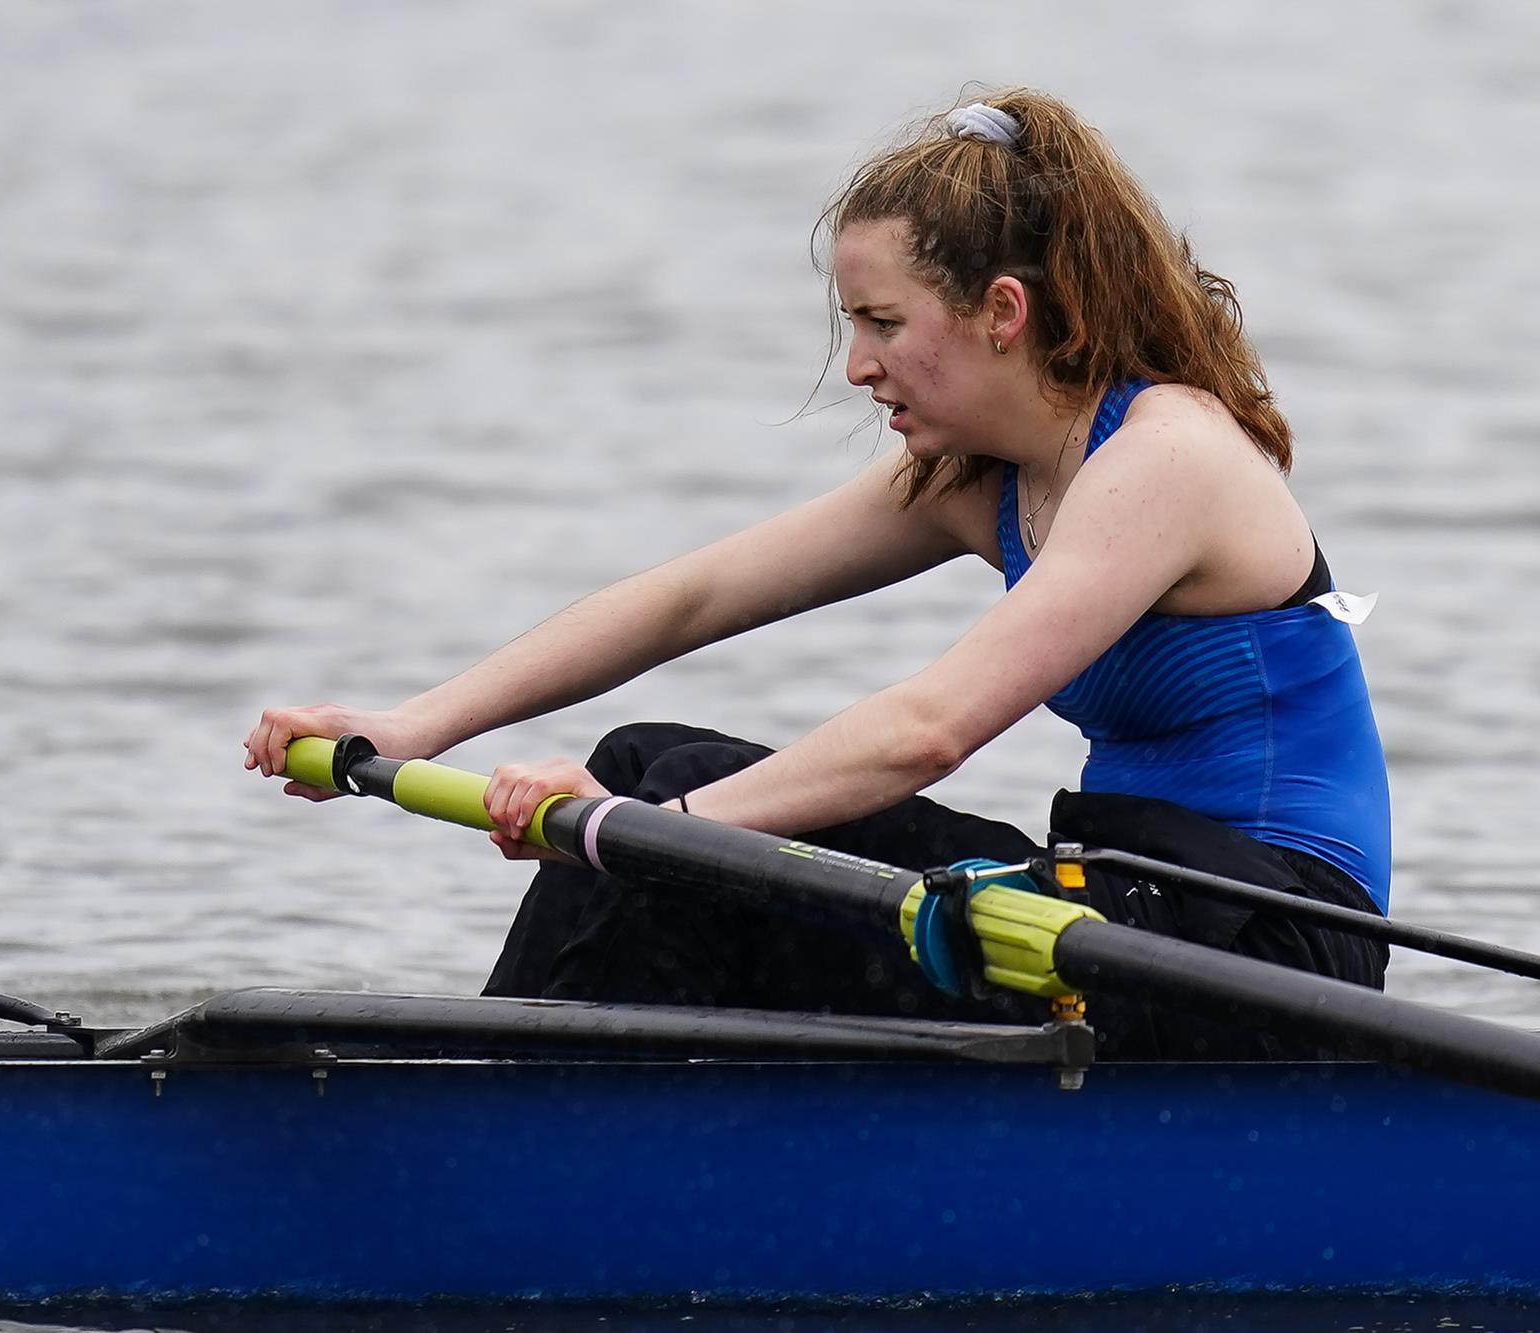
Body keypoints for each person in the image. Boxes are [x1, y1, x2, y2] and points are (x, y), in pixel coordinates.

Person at [244, 89, 1391, 1058]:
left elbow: (927, 730)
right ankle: (580, 1110)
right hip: (1117, 907)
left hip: (1269, 949)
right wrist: (416, 722)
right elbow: (691, 598)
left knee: (667, 812)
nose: (857, 366)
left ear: (1002, 312)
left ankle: (509, 1134)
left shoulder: (1166, 457)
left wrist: (661, 834)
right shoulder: (974, 476)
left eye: (883, 322)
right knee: (643, 763)